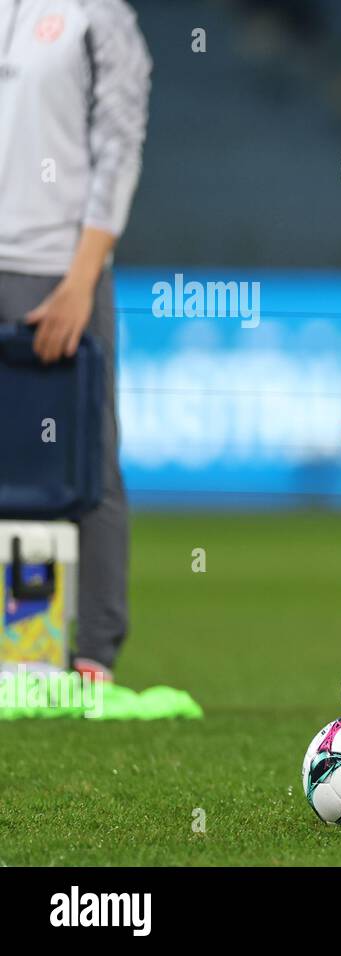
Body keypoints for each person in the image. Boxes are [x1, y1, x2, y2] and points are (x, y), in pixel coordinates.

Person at [0, 0, 152, 682]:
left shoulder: (97, 14)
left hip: (52, 268)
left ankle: (88, 652)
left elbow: (120, 141)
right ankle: (17, 650)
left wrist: (82, 275)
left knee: (79, 459)